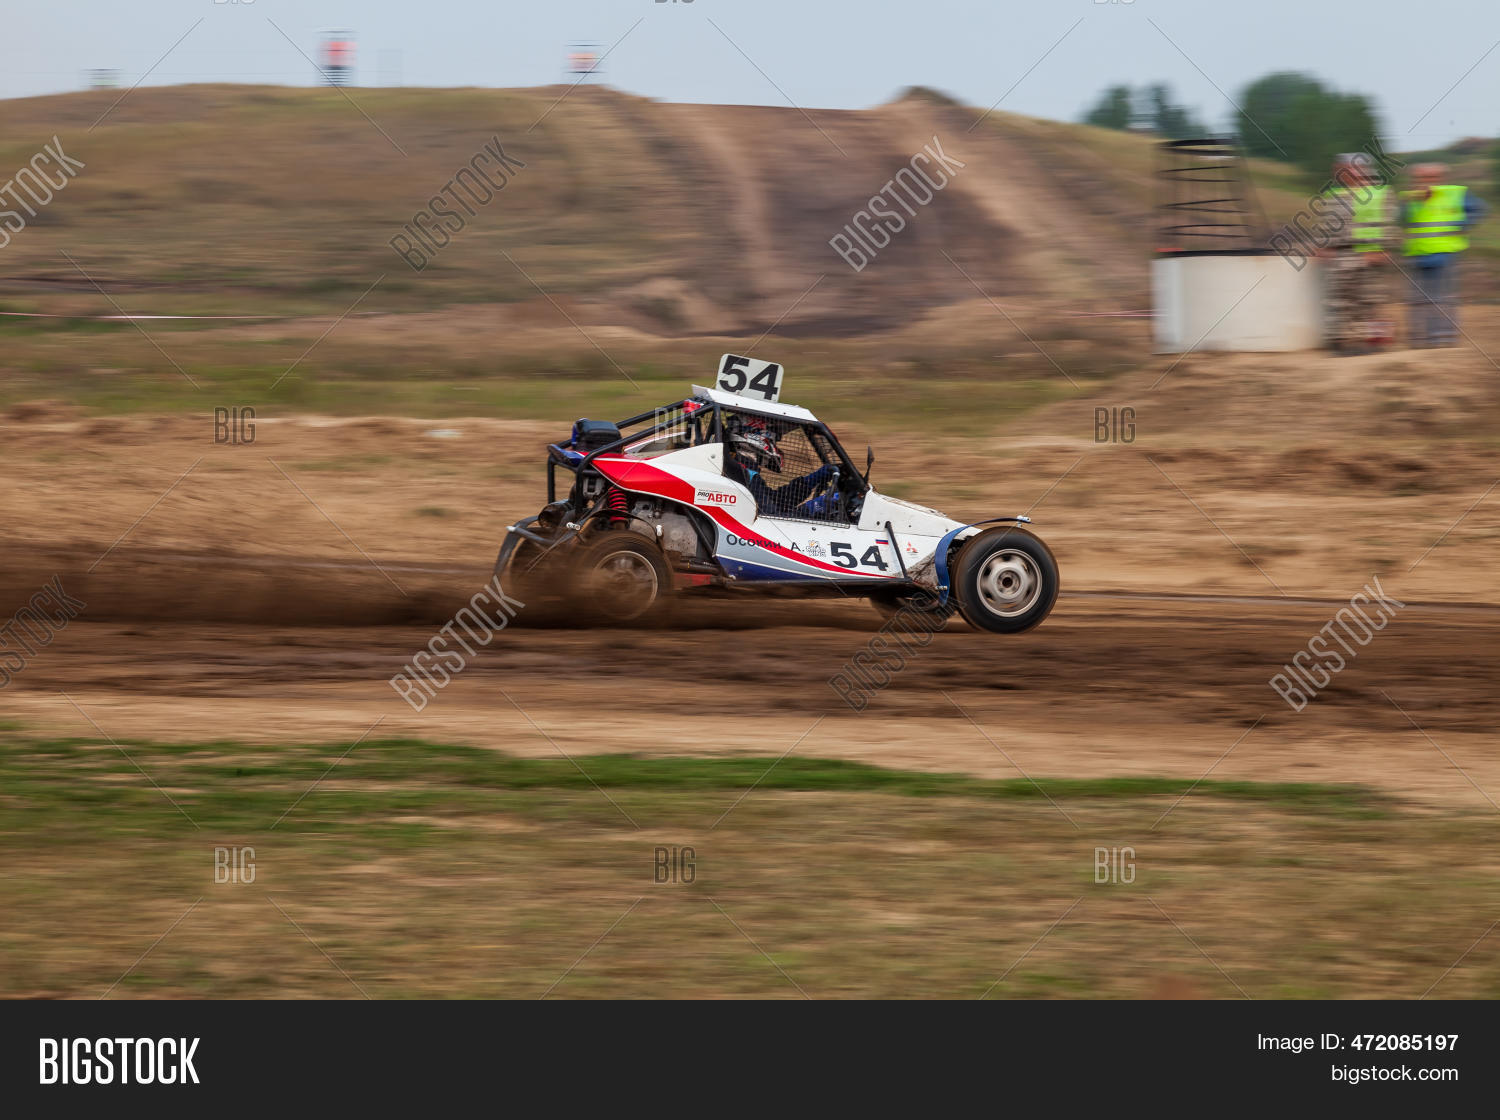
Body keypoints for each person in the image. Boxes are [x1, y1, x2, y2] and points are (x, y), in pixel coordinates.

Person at [1401, 163, 1486, 347]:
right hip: (1417, 254)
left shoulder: (1456, 193)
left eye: (1431, 178)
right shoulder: (1409, 197)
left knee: (1443, 299)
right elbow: (1402, 220)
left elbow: (1479, 209)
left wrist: (1461, 224)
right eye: (1421, 178)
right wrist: (1415, 201)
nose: (1426, 182)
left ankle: (1443, 337)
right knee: (1417, 299)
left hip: (1445, 254)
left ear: (1440, 178)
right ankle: (1418, 338)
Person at [1321, 153, 1396, 354]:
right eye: (1340, 167)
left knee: (1372, 300)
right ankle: (1341, 342)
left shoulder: (1381, 193)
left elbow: (1388, 223)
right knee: (1339, 300)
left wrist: (1385, 248)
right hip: (1342, 255)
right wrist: (1324, 246)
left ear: (1363, 169)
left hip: (1370, 253)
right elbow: (1327, 225)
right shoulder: (1333, 195)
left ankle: (1376, 342)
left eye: (1349, 167)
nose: (1343, 171)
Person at [724, 415, 839, 517]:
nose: (776, 441)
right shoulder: (740, 472)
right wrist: (814, 507)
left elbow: (775, 501)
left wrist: (812, 480)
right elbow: (771, 518)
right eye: (774, 437)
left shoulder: (740, 468)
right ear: (755, 435)